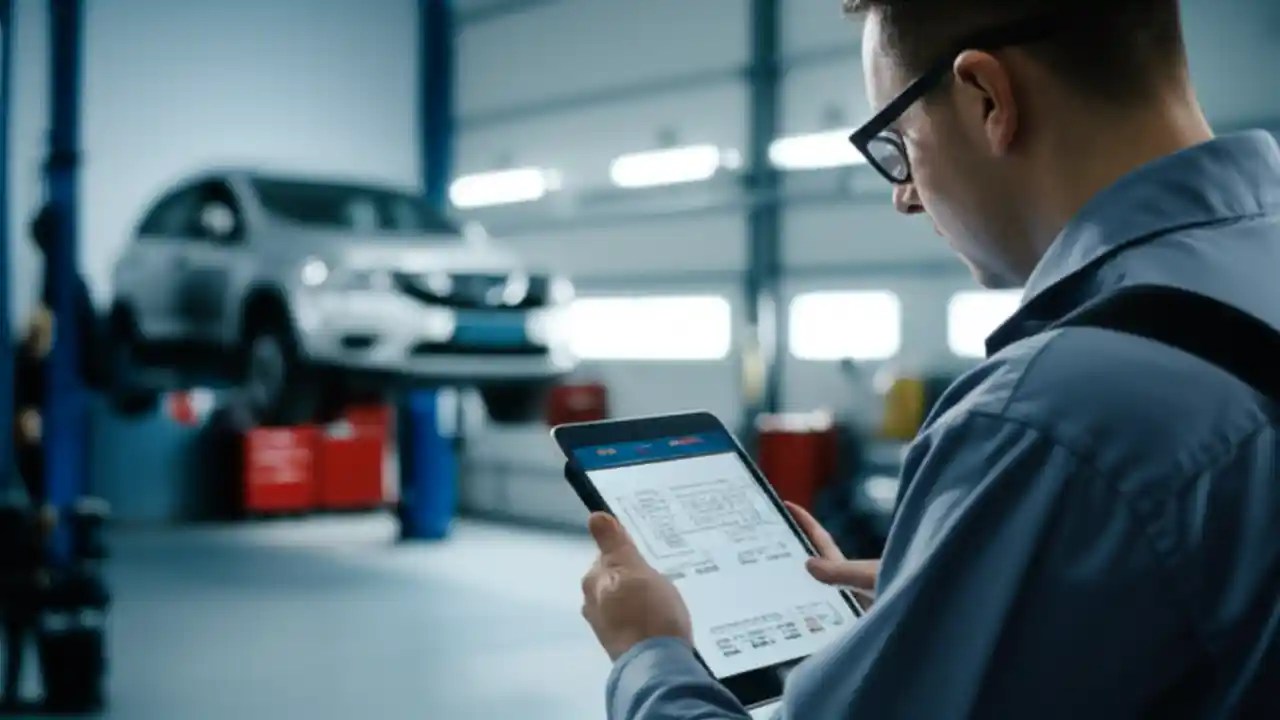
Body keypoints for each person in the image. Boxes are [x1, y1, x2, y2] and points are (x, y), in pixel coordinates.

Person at [578, 0, 1280, 717]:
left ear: (986, 97)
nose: (904, 196)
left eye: (898, 142)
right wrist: (955, 590)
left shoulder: (1049, 418)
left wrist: (650, 655)